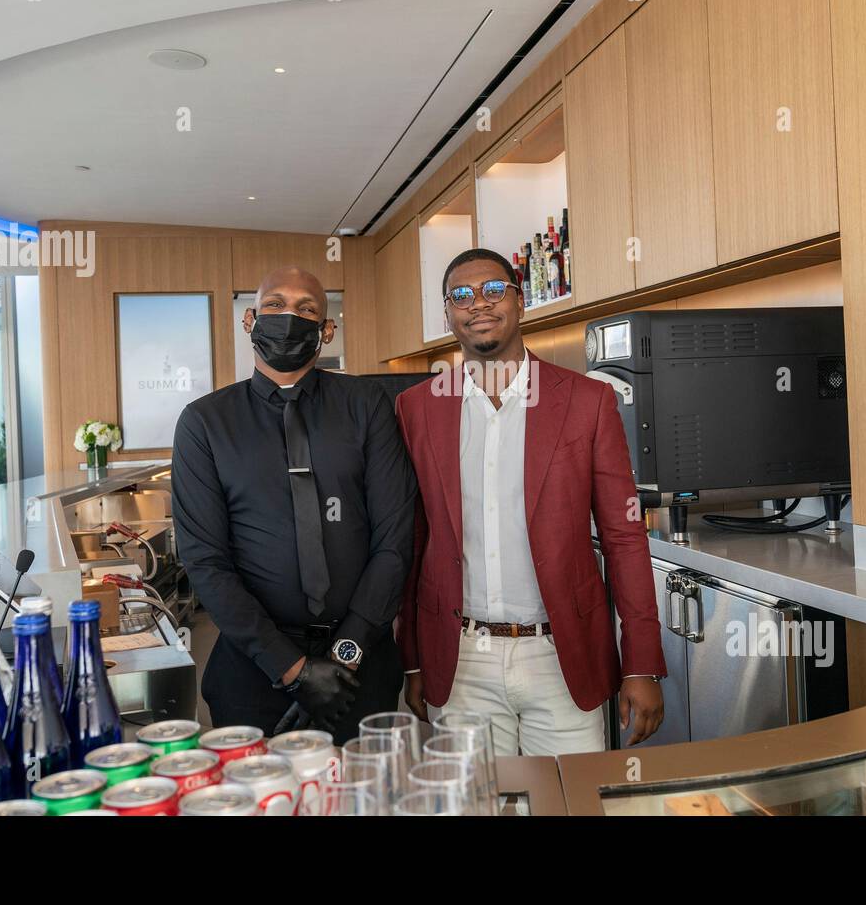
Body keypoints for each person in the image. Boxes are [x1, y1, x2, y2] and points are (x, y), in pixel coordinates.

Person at [395, 248, 666, 756]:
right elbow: (413, 541)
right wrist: (412, 659)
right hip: (459, 658)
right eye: (461, 295)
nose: (478, 304)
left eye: (493, 290)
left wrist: (642, 662)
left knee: (568, 801)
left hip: (561, 654)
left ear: (520, 301)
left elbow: (624, 537)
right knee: (476, 806)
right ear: (447, 313)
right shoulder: (416, 408)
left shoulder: (588, 401)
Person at [172, 266, 416, 741]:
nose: (289, 316)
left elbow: (395, 539)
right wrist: (293, 669)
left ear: (326, 330)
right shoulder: (204, 423)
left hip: (361, 667)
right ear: (250, 321)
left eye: (306, 309)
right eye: (275, 305)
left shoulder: (367, 405)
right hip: (252, 670)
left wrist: (345, 653)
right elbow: (205, 561)